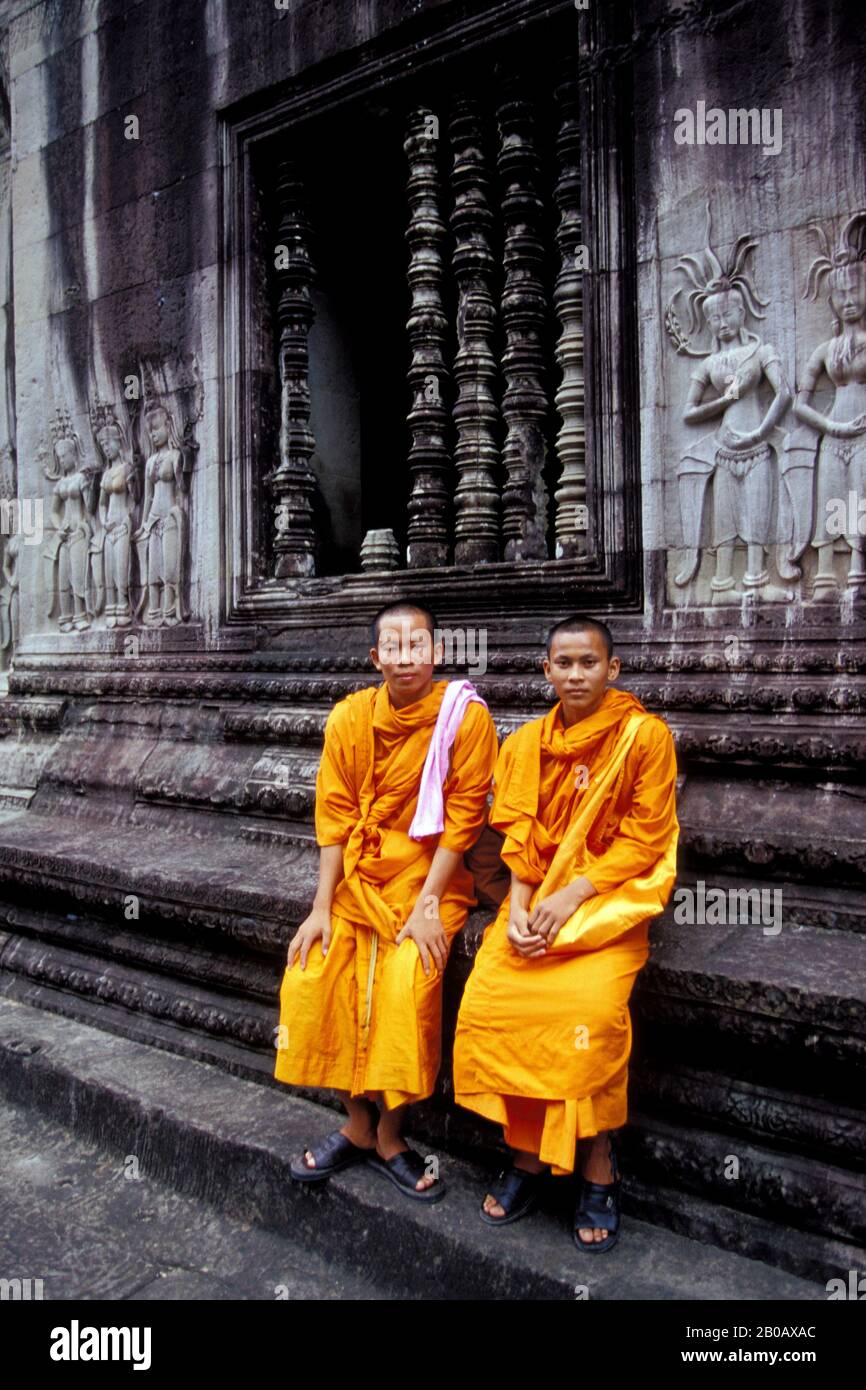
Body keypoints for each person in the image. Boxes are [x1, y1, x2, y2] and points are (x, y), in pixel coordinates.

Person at [453, 615, 679, 1250]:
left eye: (588, 663)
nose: (576, 674)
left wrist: (574, 893)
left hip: (607, 901)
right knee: (497, 1001)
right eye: (564, 663)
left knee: (590, 1015)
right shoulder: (524, 744)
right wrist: (521, 907)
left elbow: (645, 836)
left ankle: (599, 1159)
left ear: (613, 670)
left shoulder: (644, 738)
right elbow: (518, 837)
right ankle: (527, 1154)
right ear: (546, 670)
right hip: (537, 900)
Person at [274, 601, 498, 1202]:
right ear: (376, 657)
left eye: (417, 645)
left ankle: (392, 1135)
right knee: (314, 976)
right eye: (392, 648)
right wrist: (321, 906)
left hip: (431, 879)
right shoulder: (349, 718)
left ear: (438, 652)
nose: (405, 658)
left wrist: (428, 904)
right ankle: (356, 1123)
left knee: (408, 984)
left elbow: (464, 818)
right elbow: (335, 816)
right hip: (359, 881)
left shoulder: (464, 717)